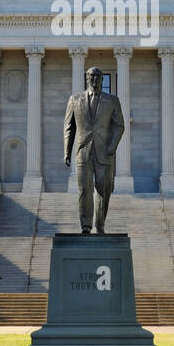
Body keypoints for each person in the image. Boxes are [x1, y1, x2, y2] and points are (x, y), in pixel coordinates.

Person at [63, 66, 126, 234]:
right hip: (83, 152)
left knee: (103, 190)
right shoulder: (75, 100)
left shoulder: (112, 101)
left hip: (105, 153)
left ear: (102, 79)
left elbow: (119, 126)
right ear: (87, 79)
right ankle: (85, 225)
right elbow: (69, 128)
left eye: (98, 77)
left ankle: (100, 225)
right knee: (85, 189)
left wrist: (112, 147)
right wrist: (67, 151)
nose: (94, 80)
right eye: (91, 77)